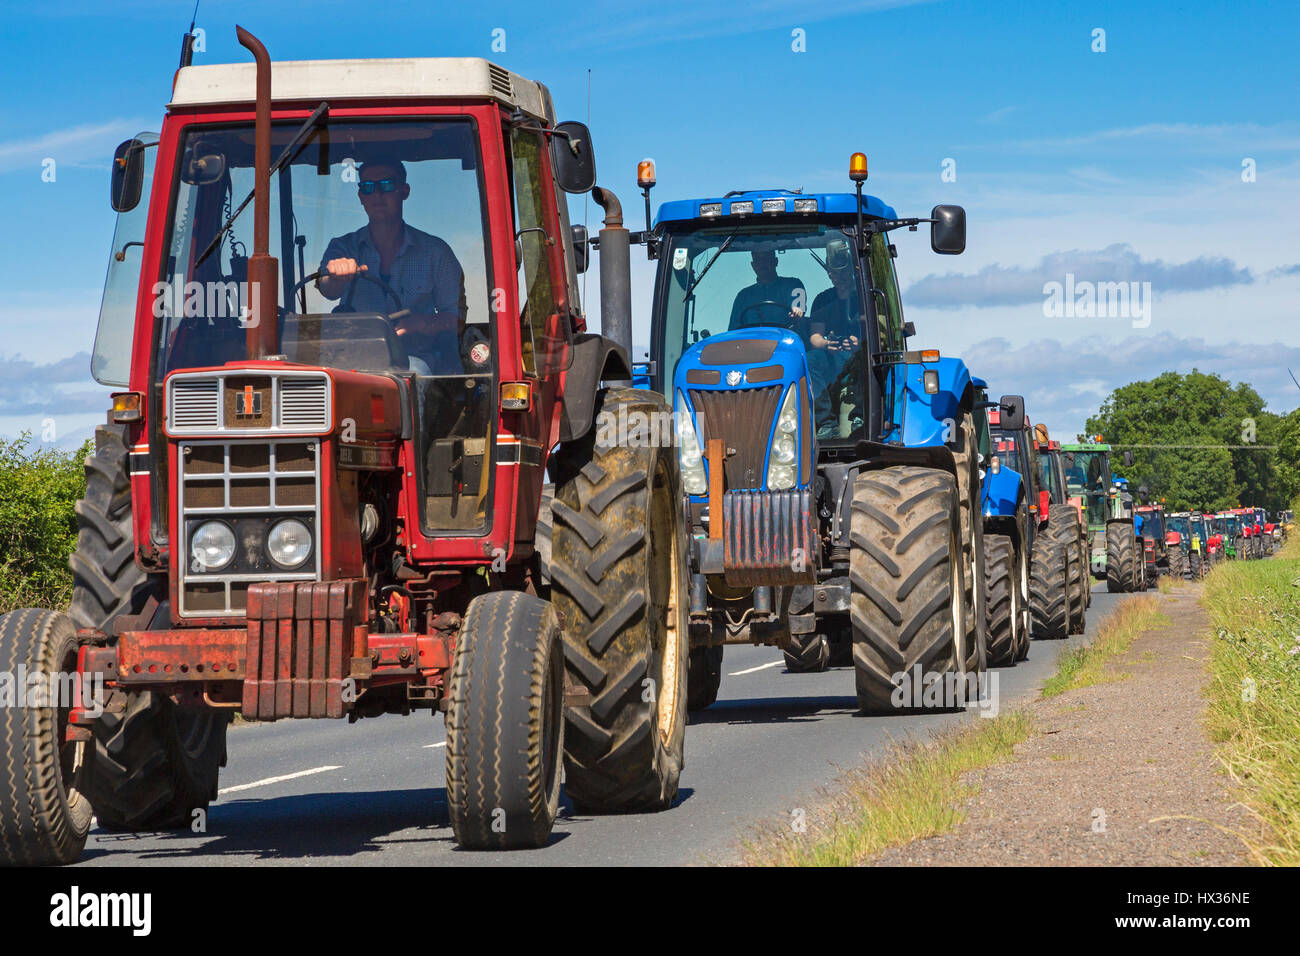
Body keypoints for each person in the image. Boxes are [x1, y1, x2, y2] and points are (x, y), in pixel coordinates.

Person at [317, 158, 470, 373]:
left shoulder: (436, 253)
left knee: (407, 377)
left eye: (387, 185)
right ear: (361, 196)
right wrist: (335, 274)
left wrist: (419, 324)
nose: (377, 195)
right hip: (352, 358)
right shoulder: (343, 247)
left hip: (413, 358)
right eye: (368, 187)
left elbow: (456, 320)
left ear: (404, 191)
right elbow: (326, 287)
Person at [806, 241, 863, 437]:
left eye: (844, 272)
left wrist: (857, 343)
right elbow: (815, 337)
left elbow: (874, 331)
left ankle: (860, 417)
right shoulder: (822, 300)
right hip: (831, 359)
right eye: (835, 274)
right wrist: (827, 344)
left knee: (867, 357)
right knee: (811, 359)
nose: (840, 278)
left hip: (857, 357)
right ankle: (825, 423)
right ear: (829, 275)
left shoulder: (863, 298)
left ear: (852, 271)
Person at [728, 249, 806, 330]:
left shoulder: (793, 284)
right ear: (753, 265)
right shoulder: (743, 296)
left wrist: (797, 311)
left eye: (766, 259)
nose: (762, 264)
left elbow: (798, 308)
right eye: (758, 260)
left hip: (787, 340)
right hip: (753, 341)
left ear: (775, 261)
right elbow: (733, 331)